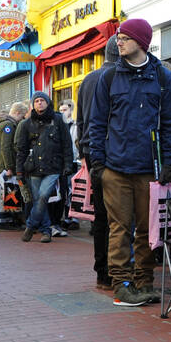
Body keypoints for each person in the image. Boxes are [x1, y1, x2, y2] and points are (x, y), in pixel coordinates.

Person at [88, 18, 171, 307]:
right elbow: (97, 122)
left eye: (125, 38)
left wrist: (169, 161)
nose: (119, 41)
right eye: (118, 37)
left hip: (149, 169)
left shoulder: (162, 77)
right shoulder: (108, 77)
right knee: (120, 228)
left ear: (140, 42)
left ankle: (145, 282)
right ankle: (122, 284)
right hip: (115, 169)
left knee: (147, 229)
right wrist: (98, 164)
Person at [77, 36, 120, 289]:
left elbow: (82, 121)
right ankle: (114, 270)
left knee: (102, 215)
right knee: (119, 215)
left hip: (92, 152)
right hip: (113, 151)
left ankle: (102, 271)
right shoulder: (117, 76)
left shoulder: (88, 79)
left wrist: (83, 151)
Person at [15, 92, 74, 243]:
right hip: (33, 168)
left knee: (43, 196)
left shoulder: (58, 120)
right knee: (38, 200)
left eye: (42, 100)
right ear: (33, 105)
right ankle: (46, 231)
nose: (40, 103)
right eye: (37, 101)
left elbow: (67, 144)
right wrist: (19, 170)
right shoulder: (26, 124)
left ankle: (30, 225)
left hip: (54, 167)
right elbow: (21, 149)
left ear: (48, 103)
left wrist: (68, 164)